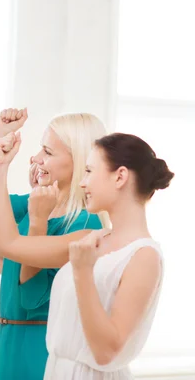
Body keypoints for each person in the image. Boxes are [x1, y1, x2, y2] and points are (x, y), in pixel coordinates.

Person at [0, 109, 106, 379]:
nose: (36, 158)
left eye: (47, 151)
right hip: (8, 340)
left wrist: (38, 221)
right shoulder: (32, 204)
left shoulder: (85, 225)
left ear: (79, 160)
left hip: (40, 345)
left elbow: (30, 297)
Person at [43, 133, 173, 379]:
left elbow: (106, 352)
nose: (82, 183)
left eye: (89, 171)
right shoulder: (95, 239)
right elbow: (13, 247)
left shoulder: (144, 256)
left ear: (120, 176)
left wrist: (82, 272)